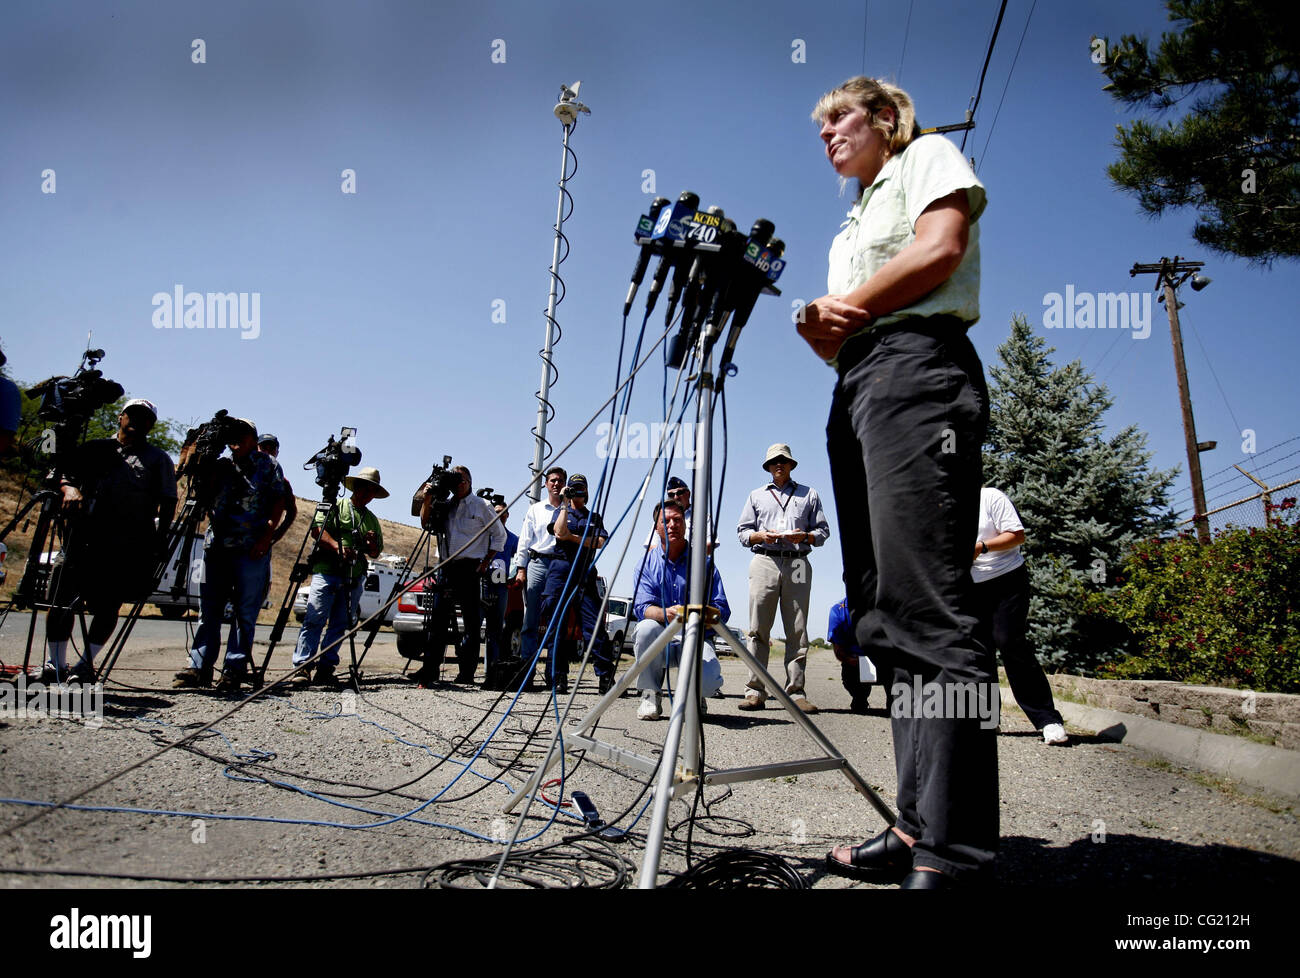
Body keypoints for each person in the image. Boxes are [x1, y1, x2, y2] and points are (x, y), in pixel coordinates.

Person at [803, 77, 996, 888]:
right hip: (859, 385)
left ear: (885, 118)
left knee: (932, 611)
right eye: (819, 129)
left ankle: (953, 853)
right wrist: (821, 325)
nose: (826, 136)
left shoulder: (926, 157)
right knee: (885, 616)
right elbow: (834, 338)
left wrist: (837, 306)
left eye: (838, 118)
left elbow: (939, 249)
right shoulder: (850, 221)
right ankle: (916, 825)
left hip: (919, 372)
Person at [42, 399, 177, 682]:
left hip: (126, 543)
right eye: (132, 414)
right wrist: (69, 489)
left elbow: (167, 502)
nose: (137, 421)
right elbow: (63, 473)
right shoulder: (95, 448)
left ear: (152, 424)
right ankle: (55, 665)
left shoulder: (158, 459)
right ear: (120, 417)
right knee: (60, 601)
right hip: (81, 536)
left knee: (107, 607)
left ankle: (85, 666)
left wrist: (160, 541)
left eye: (144, 417)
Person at [174, 418, 285, 693]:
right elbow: (198, 487)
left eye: (241, 434)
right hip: (218, 547)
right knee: (208, 611)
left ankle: (233, 670)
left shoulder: (268, 464)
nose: (235, 439)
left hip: (251, 549)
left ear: (253, 437)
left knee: (244, 613)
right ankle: (199, 666)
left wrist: (267, 536)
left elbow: (279, 502)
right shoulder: (221, 464)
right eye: (231, 434)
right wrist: (198, 450)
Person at [735, 443, 829, 713]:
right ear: (768, 466)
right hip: (764, 558)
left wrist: (807, 536)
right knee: (757, 629)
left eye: (784, 461)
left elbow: (823, 531)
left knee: (797, 629)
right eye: (774, 461)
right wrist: (760, 536)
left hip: (797, 560)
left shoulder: (808, 494)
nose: (779, 464)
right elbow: (742, 533)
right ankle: (755, 691)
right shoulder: (756, 496)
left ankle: (796, 693)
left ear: (791, 465)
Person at [974, 486, 1068, 745]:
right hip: (970, 586)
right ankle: (987, 719)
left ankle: (1047, 719)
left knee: (1009, 641)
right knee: (979, 651)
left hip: (1007, 580)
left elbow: (1016, 536)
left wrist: (981, 547)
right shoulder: (944, 505)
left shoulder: (990, 497)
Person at [290, 467, 387, 687]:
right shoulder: (337, 505)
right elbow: (317, 529)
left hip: (353, 575)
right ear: (356, 487)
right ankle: (303, 666)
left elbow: (375, 552)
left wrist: (371, 544)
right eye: (364, 488)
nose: (367, 494)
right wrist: (337, 546)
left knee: (340, 624)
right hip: (327, 571)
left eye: (372, 491)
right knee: (315, 617)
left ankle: (326, 667)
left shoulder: (371, 520)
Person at [631, 499, 728, 720]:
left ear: (685, 524)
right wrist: (666, 614)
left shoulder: (704, 563)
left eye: (677, 519)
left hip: (695, 637)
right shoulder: (646, 563)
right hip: (661, 638)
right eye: (665, 521)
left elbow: (721, 607)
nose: (672, 525)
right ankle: (650, 693)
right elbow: (642, 607)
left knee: (709, 682)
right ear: (656, 528)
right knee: (645, 628)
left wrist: (699, 615)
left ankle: (695, 695)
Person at [411, 465, 505, 686]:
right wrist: (427, 500)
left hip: (470, 569)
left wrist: (485, 563)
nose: (458, 483)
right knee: (438, 622)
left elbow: (499, 535)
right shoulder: (446, 504)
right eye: (455, 479)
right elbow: (426, 523)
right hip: (446, 567)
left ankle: (466, 674)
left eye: (462, 479)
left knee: (471, 625)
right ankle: (430, 671)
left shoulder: (482, 505)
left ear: (470, 481)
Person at [539, 473, 613, 694]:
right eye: (574, 489)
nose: (578, 492)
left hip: (585, 574)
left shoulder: (594, 518)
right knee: (556, 627)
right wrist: (563, 503)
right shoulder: (560, 512)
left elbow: (600, 542)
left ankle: (605, 677)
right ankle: (558, 677)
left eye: (582, 488)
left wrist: (574, 538)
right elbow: (560, 532)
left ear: (587, 491)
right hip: (560, 573)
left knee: (594, 627)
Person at [511, 466, 566, 670]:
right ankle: (527, 668)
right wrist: (521, 568)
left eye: (560, 480)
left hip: (560, 565)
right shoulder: (535, 509)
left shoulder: (569, 509)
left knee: (556, 619)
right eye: (552, 480)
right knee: (531, 618)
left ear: (564, 484)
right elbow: (524, 541)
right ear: (545, 484)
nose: (556, 484)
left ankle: (554, 671)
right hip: (537, 563)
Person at [482, 497, 519, 672]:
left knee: (495, 629)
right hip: (483, 581)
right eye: (496, 513)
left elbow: (520, 557)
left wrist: (513, 576)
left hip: (500, 582)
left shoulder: (512, 538)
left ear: (508, 515)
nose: (500, 516)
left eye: (503, 513)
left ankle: (492, 669)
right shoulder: (484, 535)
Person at [828, 596, 880, 714]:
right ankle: (859, 697)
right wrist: (852, 660)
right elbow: (839, 650)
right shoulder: (838, 610)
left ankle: (896, 699)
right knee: (850, 675)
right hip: (856, 662)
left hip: (886, 659)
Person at [256, 433, 297, 547]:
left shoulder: (283, 483)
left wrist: (274, 535)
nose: (267, 452)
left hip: (258, 544)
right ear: (256, 448)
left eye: (272, 449)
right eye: (264, 448)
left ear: (277, 453)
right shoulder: (241, 472)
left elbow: (291, 511)